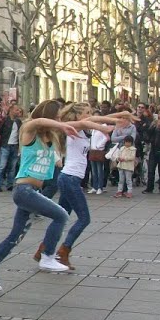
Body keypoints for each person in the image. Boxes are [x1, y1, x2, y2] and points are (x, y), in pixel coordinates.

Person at [0, 101, 123, 291]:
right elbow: (36, 122)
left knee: (15, 236)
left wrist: (109, 123)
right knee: (61, 215)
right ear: (50, 117)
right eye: (57, 118)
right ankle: (47, 256)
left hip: (32, 192)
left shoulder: (51, 136)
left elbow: (85, 122)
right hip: (23, 190)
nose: (60, 121)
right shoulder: (29, 132)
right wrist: (60, 125)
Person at [46, 103, 118, 268]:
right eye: (86, 112)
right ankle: (63, 251)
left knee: (61, 216)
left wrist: (119, 117)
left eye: (90, 112)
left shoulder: (84, 127)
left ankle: (44, 248)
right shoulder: (73, 128)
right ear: (77, 116)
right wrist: (104, 129)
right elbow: (88, 122)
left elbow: (95, 119)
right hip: (69, 178)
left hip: (71, 179)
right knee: (84, 219)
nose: (89, 115)